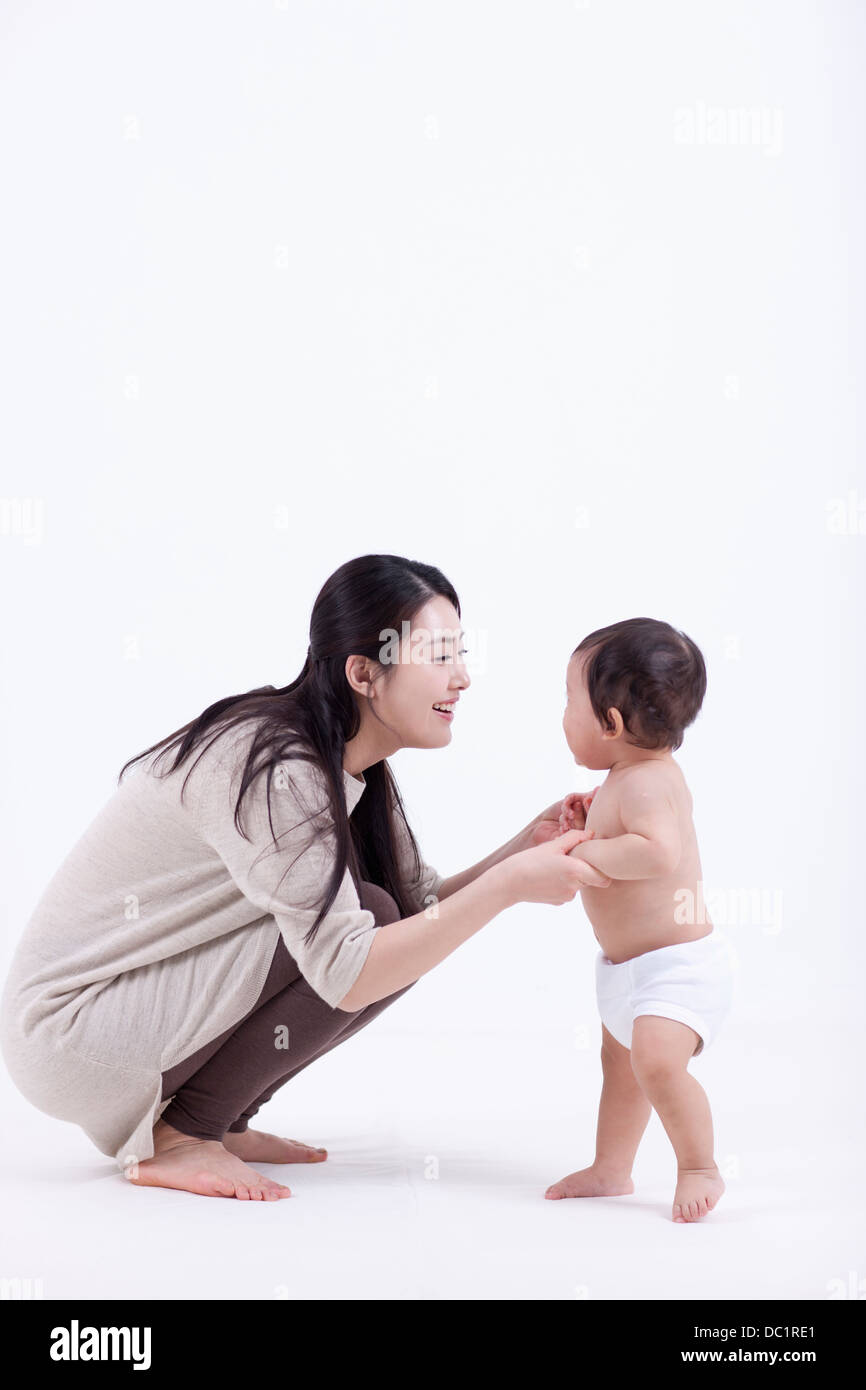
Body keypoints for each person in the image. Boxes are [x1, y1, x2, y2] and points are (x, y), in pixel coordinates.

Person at [0, 554, 609, 1201]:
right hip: (71, 1034)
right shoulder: (279, 767)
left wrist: (521, 850)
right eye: (439, 655)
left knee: (384, 916)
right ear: (364, 674)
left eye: (460, 654)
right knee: (367, 923)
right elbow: (350, 965)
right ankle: (187, 1134)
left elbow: (417, 907)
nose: (462, 678)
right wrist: (509, 887)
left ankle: (220, 1122)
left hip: (126, 1016)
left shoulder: (348, 763)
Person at [545, 618, 734, 1222]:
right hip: (627, 972)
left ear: (612, 724)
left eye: (569, 700)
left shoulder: (649, 783)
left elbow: (658, 852)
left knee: (655, 1063)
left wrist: (588, 850)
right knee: (621, 1067)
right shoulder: (624, 779)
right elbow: (628, 835)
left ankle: (698, 1165)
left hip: (676, 972)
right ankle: (611, 1168)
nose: (562, 713)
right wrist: (588, 821)